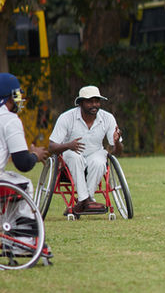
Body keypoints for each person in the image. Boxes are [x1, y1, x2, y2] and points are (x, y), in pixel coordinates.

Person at [48, 85, 123, 216]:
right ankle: (87, 201)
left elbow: (118, 152)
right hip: (71, 155)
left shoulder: (107, 118)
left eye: (97, 101)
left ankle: (82, 203)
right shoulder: (67, 117)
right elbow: (52, 147)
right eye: (90, 101)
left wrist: (116, 142)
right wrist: (68, 145)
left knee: (100, 160)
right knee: (74, 156)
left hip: (95, 153)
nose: (94, 105)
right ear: (81, 103)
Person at [0, 72, 51, 261]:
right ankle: (23, 242)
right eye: (17, 95)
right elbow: (23, 163)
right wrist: (35, 156)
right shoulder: (10, 120)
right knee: (24, 184)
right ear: (10, 96)